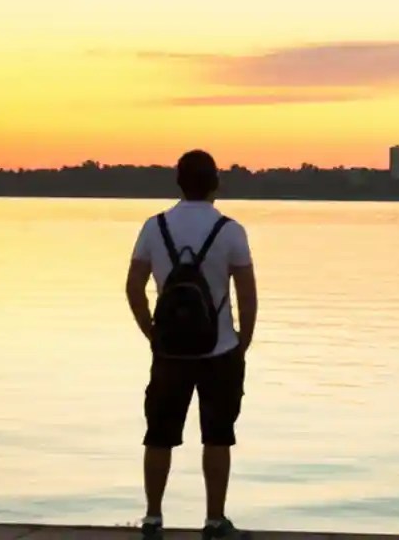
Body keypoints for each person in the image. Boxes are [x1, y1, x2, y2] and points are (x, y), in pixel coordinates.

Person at [126, 150, 257, 539]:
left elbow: (134, 287)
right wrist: (242, 342)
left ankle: (153, 518)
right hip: (220, 351)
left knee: (158, 435)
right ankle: (214, 520)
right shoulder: (231, 231)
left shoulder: (154, 227)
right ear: (216, 182)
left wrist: (151, 332)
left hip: (169, 351)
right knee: (218, 436)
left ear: (178, 182)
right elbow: (247, 295)